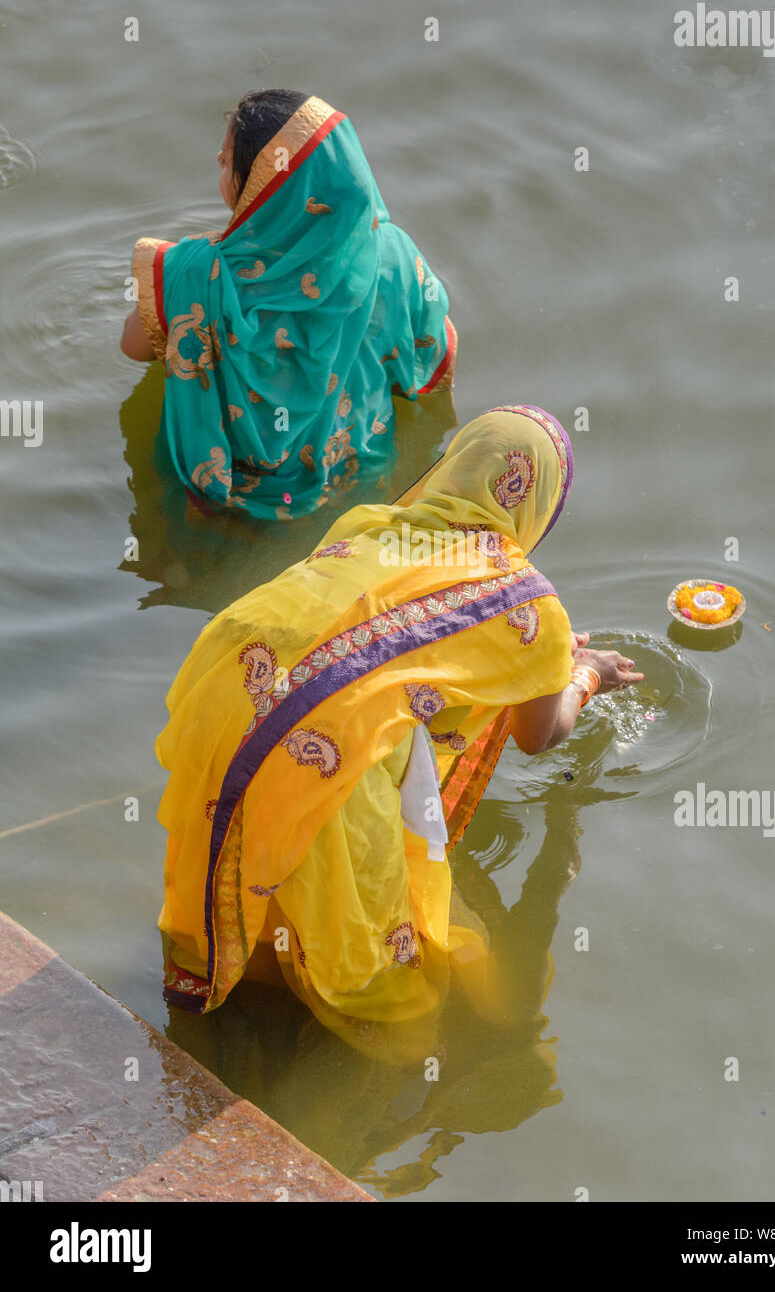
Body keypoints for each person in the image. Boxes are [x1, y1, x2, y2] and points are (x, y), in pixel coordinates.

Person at [155, 405, 643, 1060]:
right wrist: (579, 674)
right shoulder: (526, 602)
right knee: (390, 998)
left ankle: (242, 995)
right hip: (320, 761)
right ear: (540, 504)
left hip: (224, 697)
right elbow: (540, 734)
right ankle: (352, 1070)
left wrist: (543, 657)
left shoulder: (374, 527)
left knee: (257, 852)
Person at [121, 89, 457, 520]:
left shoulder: (194, 272)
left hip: (225, 497)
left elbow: (133, 347)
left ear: (259, 185)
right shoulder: (392, 256)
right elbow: (433, 360)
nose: (218, 162)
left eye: (227, 159)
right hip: (357, 476)